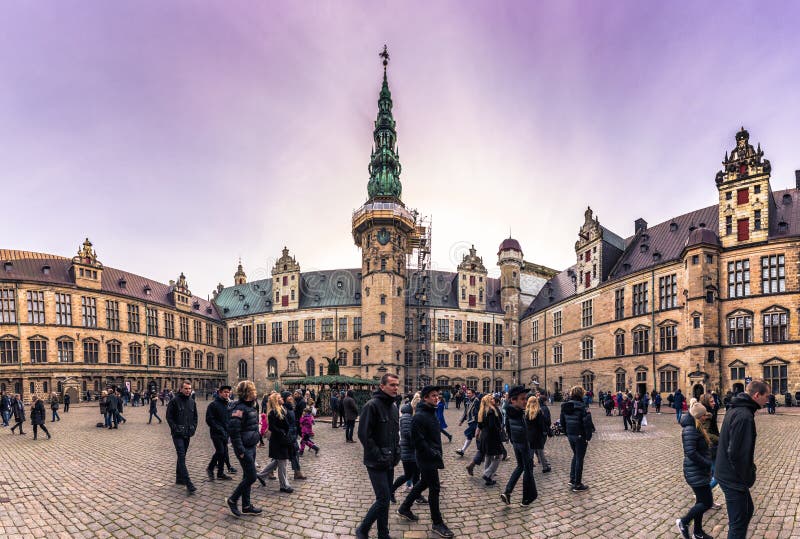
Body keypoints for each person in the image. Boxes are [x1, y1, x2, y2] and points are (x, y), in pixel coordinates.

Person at [396, 385, 454, 539]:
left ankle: (404, 507)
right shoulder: (420, 416)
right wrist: (433, 453)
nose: (437, 398)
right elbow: (418, 441)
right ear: (425, 398)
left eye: (438, 395)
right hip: (426, 458)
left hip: (430, 456)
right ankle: (437, 523)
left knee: (423, 483)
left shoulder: (430, 412)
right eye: (433, 395)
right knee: (434, 488)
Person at [715, 379, 770, 539]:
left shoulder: (737, 408)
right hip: (732, 477)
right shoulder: (744, 416)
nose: (768, 400)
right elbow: (737, 454)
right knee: (738, 524)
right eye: (766, 396)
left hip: (727, 473)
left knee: (747, 510)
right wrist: (748, 476)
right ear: (757, 395)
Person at [355, 373, 401, 539]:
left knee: (385, 499)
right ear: (382, 386)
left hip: (390, 461)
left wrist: (397, 451)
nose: (396, 388)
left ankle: (383, 533)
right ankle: (363, 529)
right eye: (392, 385)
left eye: (397, 385)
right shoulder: (371, 406)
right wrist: (379, 455)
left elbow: (395, 433)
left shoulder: (394, 407)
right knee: (383, 498)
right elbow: (364, 435)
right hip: (376, 462)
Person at [676, 400, 714, 539]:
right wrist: (707, 463)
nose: (705, 417)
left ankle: (697, 532)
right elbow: (691, 452)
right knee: (707, 502)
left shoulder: (696, 427)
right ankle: (684, 522)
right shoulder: (690, 429)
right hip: (695, 471)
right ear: (697, 416)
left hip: (699, 471)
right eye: (703, 415)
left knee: (700, 502)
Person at [225, 380, 262, 517]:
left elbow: (252, 426)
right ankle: (232, 500)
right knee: (252, 476)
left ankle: (246, 506)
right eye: (253, 390)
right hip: (244, 449)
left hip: (251, 446)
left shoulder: (251, 406)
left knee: (247, 476)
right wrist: (240, 451)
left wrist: (256, 439)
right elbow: (234, 432)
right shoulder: (239, 409)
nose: (255, 392)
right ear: (247, 393)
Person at [501, 386, 537, 506]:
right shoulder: (518, 413)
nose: (525, 401)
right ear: (513, 400)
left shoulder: (511, 412)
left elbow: (509, 429)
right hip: (524, 445)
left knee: (520, 466)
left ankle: (507, 492)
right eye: (522, 399)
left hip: (517, 444)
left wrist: (513, 441)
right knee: (528, 470)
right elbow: (526, 431)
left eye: (525, 399)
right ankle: (526, 499)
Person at [257, 392, 294, 493]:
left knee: (277, 461)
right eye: (280, 398)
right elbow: (273, 427)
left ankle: (261, 475)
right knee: (282, 462)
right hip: (278, 441)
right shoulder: (273, 412)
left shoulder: (282, 409)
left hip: (282, 439)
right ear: (276, 400)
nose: (282, 398)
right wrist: (282, 433)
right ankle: (284, 485)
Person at [166, 380, 198, 493]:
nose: (188, 390)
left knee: (182, 456)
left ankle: (179, 478)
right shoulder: (174, 401)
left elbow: (195, 417)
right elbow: (169, 417)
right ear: (181, 389)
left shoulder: (192, 402)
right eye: (186, 388)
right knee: (181, 455)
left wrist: (193, 428)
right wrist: (175, 428)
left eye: (189, 389)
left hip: (187, 433)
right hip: (177, 434)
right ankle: (188, 482)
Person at [560, 386, 594, 492]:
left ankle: (572, 479)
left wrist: (567, 432)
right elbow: (587, 423)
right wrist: (588, 437)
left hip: (571, 435)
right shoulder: (583, 406)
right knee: (579, 458)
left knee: (576, 455)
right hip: (580, 436)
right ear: (581, 394)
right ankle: (577, 484)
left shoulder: (565, 405)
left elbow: (562, 421)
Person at [390, 393, 423, 505]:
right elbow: (407, 434)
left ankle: (418, 496)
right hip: (408, 450)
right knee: (408, 475)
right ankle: (391, 490)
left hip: (413, 451)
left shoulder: (412, 415)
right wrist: (420, 438)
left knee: (416, 475)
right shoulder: (406, 417)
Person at [206, 384, 233, 480]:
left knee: (224, 452)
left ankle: (220, 473)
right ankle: (210, 468)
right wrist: (219, 428)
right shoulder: (213, 405)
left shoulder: (228, 405)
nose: (227, 394)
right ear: (220, 393)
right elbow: (209, 420)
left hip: (225, 433)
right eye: (225, 392)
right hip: (216, 433)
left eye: (228, 392)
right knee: (220, 451)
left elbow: (229, 419)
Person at [475, 394, 503, 486]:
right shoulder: (491, 411)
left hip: (484, 436)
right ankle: (487, 474)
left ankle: (488, 478)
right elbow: (492, 426)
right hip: (492, 437)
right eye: (491, 399)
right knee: (499, 456)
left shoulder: (482, 411)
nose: (493, 400)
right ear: (488, 401)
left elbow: (480, 425)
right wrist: (499, 429)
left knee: (488, 456)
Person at [526, 395, 551, 472]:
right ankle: (545, 467)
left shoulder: (526, 412)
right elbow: (541, 425)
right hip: (538, 435)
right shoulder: (539, 412)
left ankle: (529, 467)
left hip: (529, 434)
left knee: (531, 452)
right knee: (540, 451)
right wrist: (544, 432)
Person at [455, 388, 479, 457]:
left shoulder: (477, 401)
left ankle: (480, 453)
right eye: (467, 393)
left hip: (475, 422)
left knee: (476, 436)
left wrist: (479, 423)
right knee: (470, 436)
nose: (467, 394)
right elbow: (466, 411)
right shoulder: (467, 400)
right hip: (470, 421)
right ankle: (463, 450)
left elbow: (479, 412)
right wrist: (462, 421)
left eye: (469, 393)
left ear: (473, 394)